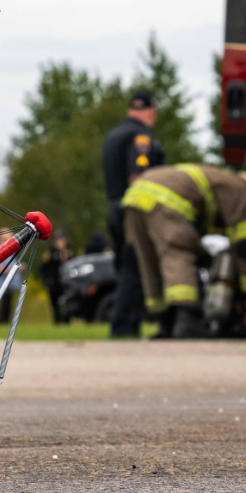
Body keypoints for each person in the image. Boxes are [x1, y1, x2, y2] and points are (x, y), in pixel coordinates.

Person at [121, 163, 246, 339]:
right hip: (165, 199)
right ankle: (186, 322)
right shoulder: (239, 188)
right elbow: (244, 242)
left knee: (150, 260)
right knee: (178, 252)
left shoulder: (214, 176)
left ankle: (166, 323)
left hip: (134, 197)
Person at [101, 90, 164, 337]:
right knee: (135, 268)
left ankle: (126, 324)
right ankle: (125, 326)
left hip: (115, 208)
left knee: (124, 267)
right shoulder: (140, 136)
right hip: (133, 211)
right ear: (150, 110)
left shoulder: (114, 134)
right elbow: (139, 177)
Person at [38, 231, 71, 323]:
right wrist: (48, 280)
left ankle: (67, 321)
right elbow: (44, 268)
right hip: (54, 283)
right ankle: (57, 322)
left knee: (67, 304)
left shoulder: (69, 253)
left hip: (66, 283)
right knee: (55, 304)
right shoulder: (51, 253)